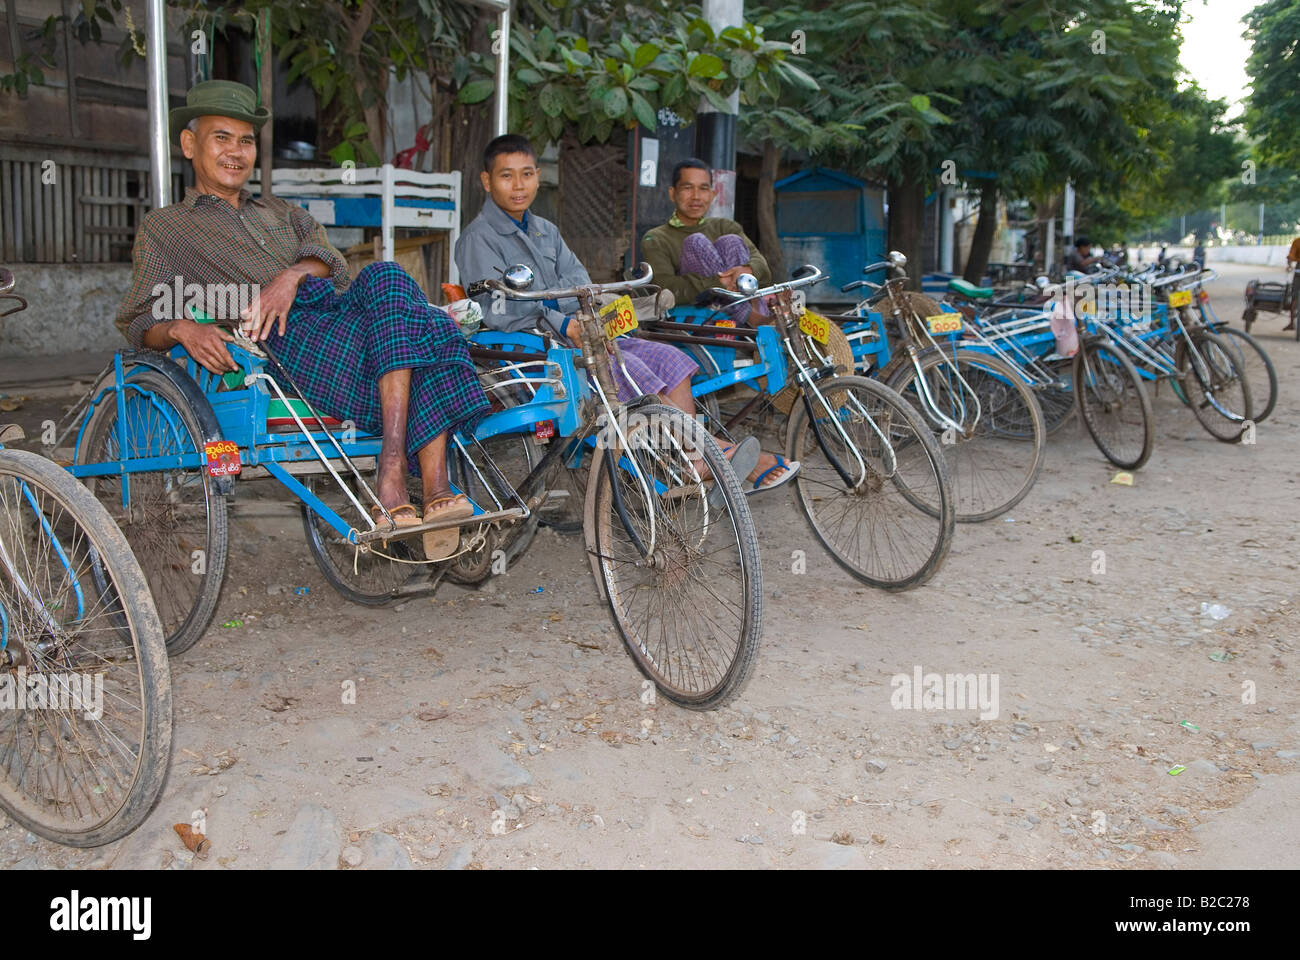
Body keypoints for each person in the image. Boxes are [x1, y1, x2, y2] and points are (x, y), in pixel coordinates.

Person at [115, 80, 488, 559]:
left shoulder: (280, 210)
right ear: (189, 144)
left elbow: (331, 260)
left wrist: (289, 276)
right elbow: (138, 316)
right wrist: (182, 328)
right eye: (221, 138)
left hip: (331, 308)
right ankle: (429, 485)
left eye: (246, 141)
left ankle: (397, 470)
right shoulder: (167, 227)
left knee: (390, 277)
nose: (236, 152)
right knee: (426, 328)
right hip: (279, 336)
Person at [455, 136, 797, 493]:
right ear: (487, 181)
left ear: (538, 176)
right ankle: (713, 452)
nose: (518, 185)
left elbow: (578, 281)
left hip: (578, 335)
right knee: (635, 377)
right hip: (531, 347)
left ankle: (694, 456)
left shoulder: (545, 230)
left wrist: (581, 317)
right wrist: (562, 320)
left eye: (526, 174)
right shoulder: (478, 238)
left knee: (670, 360)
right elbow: (499, 311)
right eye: (506, 176)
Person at [642, 159, 772, 325]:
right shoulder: (655, 238)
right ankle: (754, 320)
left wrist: (746, 271)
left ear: (712, 194)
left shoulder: (725, 226)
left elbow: (763, 269)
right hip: (695, 317)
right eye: (687, 188)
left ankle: (755, 316)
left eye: (703, 189)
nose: (696, 196)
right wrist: (718, 283)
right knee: (695, 242)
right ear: (672, 193)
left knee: (731, 241)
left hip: (733, 313)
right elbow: (664, 288)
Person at [1285, 234, 1300, 330]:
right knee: (1294, 296)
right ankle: (1291, 322)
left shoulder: (1297, 241)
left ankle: (1291, 323)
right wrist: (1289, 265)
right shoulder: (1297, 241)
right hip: (1299, 270)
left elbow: (1291, 256)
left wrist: (1289, 265)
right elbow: (1291, 256)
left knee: (1294, 296)